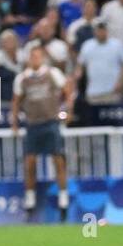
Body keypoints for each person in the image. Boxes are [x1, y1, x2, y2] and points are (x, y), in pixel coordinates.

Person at [10, 44, 73, 221]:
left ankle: (63, 200)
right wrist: (14, 121)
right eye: (33, 56)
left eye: (38, 56)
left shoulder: (52, 74)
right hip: (33, 124)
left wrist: (68, 110)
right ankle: (30, 202)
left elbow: (67, 90)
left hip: (51, 122)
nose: (35, 59)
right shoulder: (22, 78)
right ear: (29, 59)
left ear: (42, 58)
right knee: (30, 162)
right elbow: (16, 101)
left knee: (58, 160)